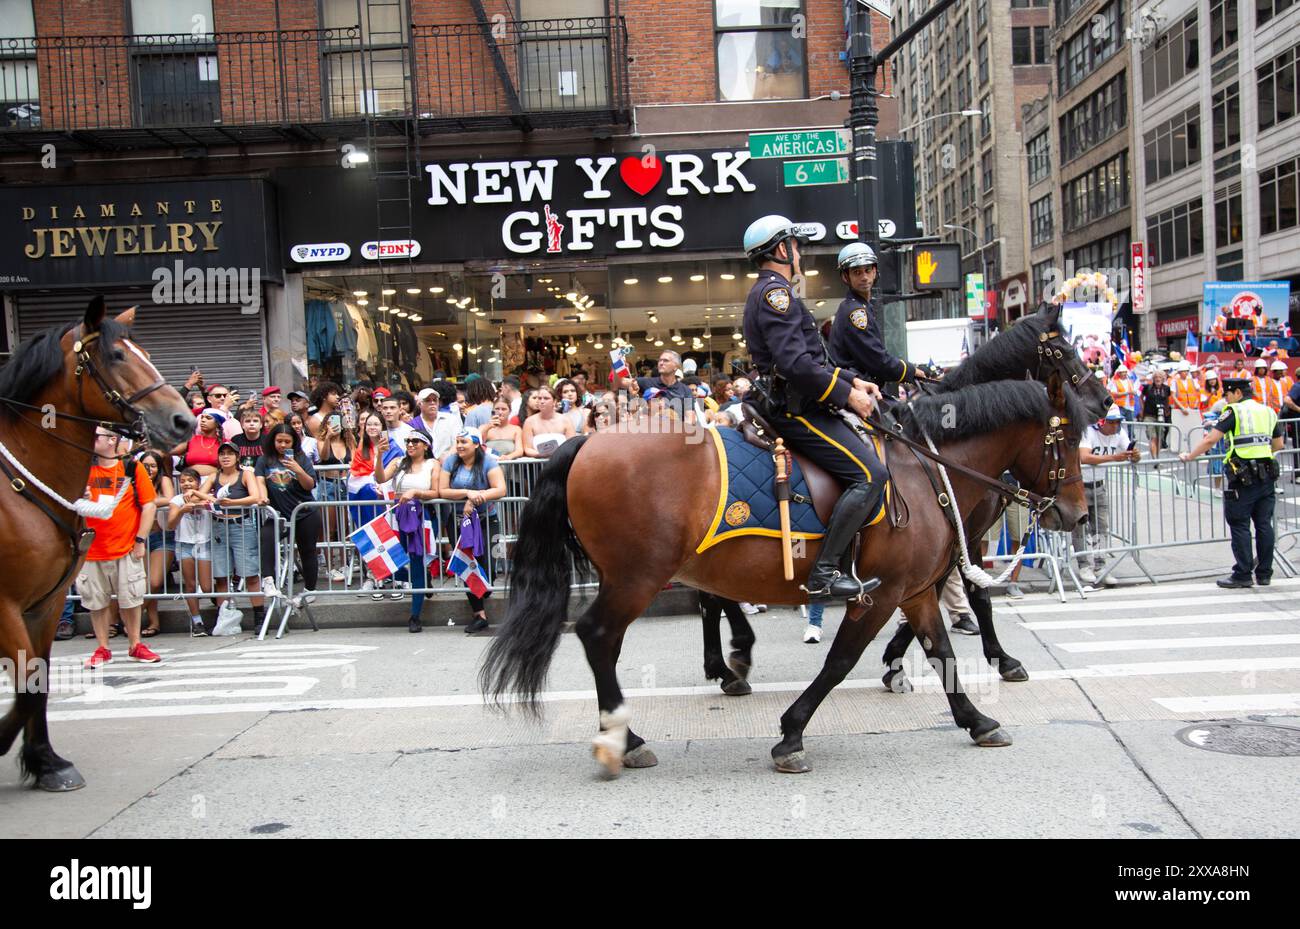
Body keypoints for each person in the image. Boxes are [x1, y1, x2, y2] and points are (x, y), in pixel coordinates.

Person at [741, 214, 884, 600]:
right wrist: (846, 396)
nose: (799, 253)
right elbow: (795, 366)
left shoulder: (775, 291)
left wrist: (852, 380)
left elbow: (813, 359)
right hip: (796, 409)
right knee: (871, 475)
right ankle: (824, 572)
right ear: (783, 249)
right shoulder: (777, 294)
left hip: (801, 400)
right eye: (795, 245)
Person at [1181, 377, 1283, 588]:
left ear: (1237, 393)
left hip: (1242, 475)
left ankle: (1243, 574)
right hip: (1266, 474)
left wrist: (1190, 456)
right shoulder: (1268, 411)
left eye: (1227, 394)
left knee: (1239, 524)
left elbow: (1211, 439)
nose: (1226, 399)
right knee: (1264, 524)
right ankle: (1264, 574)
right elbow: (1279, 444)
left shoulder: (1233, 411)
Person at [79, 428, 162, 668]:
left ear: (112, 440)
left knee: (131, 598)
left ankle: (135, 644)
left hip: (125, 545)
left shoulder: (131, 468)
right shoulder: (83, 468)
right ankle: (102, 647)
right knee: (95, 601)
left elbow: (149, 506)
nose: (92, 440)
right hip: (92, 548)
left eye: (97, 436)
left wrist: (140, 540)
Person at [829, 242, 931, 395]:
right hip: (857, 391)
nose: (864, 277)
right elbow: (878, 361)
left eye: (868, 270)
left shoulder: (860, 306)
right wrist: (910, 371)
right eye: (857, 272)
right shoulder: (855, 312)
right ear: (845, 276)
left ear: (875, 271)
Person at [437, 427, 507, 634]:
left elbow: (501, 489)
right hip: (459, 520)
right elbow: (443, 490)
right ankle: (479, 615)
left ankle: (485, 588)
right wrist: (468, 493)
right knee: (468, 566)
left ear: (476, 444)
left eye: (464, 442)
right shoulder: (450, 461)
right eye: (457, 441)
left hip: (487, 518)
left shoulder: (487, 461)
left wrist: (478, 498)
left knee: (488, 566)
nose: (459, 445)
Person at [376, 424, 441, 630]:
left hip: (423, 518)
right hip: (398, 516)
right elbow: (380, 478)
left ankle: (415, 615)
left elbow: (436, 492)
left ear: (425, 446)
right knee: (387, 564)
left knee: (416, 561)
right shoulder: (399, 462)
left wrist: (415, 492)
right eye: (408, 441)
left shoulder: (433, 464)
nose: (410, 445)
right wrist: (379, 456)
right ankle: (422, 580)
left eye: (415, 441)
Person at [1072, 406, 1140, 586]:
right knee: (1079, 526)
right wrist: (1115, 458)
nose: (1116, 425)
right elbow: (1084, 457)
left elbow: (1132, 454)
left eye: (1118, 422)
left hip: (1100, 486)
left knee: (1101, 528)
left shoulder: (1120, 433)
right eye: (1112, 422)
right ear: (1102, 421)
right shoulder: (1088, 432)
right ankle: (1083, 565)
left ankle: (1100, 565)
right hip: (1081, 486)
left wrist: (1134, 454)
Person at [255, 423, 322, 601]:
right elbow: (260, 481)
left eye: (287, 441)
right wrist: (262, 497)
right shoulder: (264, 460)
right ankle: (268, 580)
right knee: (266, 537)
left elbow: (310, 485)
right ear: (273, 441)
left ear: (294, 442)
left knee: (307, 550)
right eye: (279, 441)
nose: (283, 445)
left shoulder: (301, 459)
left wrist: (298, 470)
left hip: (305, 512)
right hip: (278, 514)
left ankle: (310, 590)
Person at [209, 440, 263, 633]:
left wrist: (230, 503)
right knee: (222, 576)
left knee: (250, 574)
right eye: (222, 453)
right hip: (219, 527)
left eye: (229, 453)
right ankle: (223, 618)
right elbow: (198, 493)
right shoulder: (214, 476)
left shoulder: (245, 474)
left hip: (241, 524)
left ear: (237, 456)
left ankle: (259, 617)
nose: (225, 456)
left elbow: (255, 497)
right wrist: (213, 500)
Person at [168, 467, 216, 636]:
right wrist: (182, 511)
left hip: (204, 542)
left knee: (207, 586)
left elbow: (215, 503)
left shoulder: (204, 497)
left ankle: (217, 601)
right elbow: (170, 524)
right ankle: (197, 622)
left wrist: (199, 500)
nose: (186, 484)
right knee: (189, 584)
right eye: (182, 481)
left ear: (198, 483)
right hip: (184, 544)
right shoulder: (176, 500)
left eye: (190, 480)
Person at [135, 449, 175, 638]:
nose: (149, 468)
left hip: (161, 536)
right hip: (140, 537)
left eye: (152, 465)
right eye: (145, 465)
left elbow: (169, 499)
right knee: (143, 583)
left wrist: (147, 501)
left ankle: (127, 616)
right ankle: (153, 622)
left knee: (155, 581)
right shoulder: (135, 482)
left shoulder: (164, 480)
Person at [622, 349, 696, 422]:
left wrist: (682, 431)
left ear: (676, 366)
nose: (661, 363)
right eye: (660, 360)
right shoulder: (647, 382)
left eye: (666, 360)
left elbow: (690, 418)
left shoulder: (686, 390)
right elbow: (621, 381)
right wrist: (620, 366)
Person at [521, 384, 575, 457]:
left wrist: (559, 455)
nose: (542, 401)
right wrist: (540, 454)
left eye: (546, 398)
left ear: (554, 401)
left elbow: (572, 446)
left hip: (562, 462)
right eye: (539, 398)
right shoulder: (529, 422)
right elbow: (527, 448)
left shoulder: (566, 420)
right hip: (539, 465)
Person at [176, 408, 225, 478]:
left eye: (208, 418)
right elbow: (169, 451)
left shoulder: (225, 443)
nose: (203, 420)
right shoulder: (191, 439)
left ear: (217, 424)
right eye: (202, 417)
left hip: (216, 483)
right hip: (191, 484)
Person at [1140, 368, 1172, 464]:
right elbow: (1141, 398)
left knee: (1159, 438)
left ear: (1163, 379)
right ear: (1153, 378)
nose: (1158, 379)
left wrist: (1167, 410)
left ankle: (1157, 458)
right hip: (1149, 415)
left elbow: (1168, 400)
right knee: (1152, 437)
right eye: (1156, 377)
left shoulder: (1166, 389)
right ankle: (1155, 459)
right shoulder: (1147, 388)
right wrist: (1142, 409)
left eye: (1160, 377)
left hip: (1161, 416)